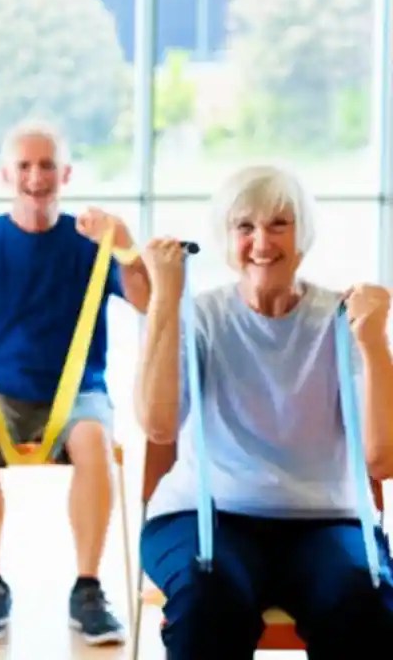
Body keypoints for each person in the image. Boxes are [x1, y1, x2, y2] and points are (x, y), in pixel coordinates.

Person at [136, 165, 393, 659]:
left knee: (365, 596)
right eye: (244, 227)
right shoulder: (201, 315)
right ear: (226, 238)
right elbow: (158, 424)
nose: (261, 242)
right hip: (203, 515)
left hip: (324, 520)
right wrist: (166, 296)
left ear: (303, 234)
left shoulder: (342, 319)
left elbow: (382, 461)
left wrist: (376, 345)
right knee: (209, 597)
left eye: (279, 224)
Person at [0, 121, 150, 645]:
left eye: (47, 166)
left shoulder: (88, 242)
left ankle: (88, 588)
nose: (36, 177)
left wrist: (126, 246)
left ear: (65, 173)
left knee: (92, 441)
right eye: (25, 166)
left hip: (76, 392)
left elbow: (146, 299)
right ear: (7, 174)